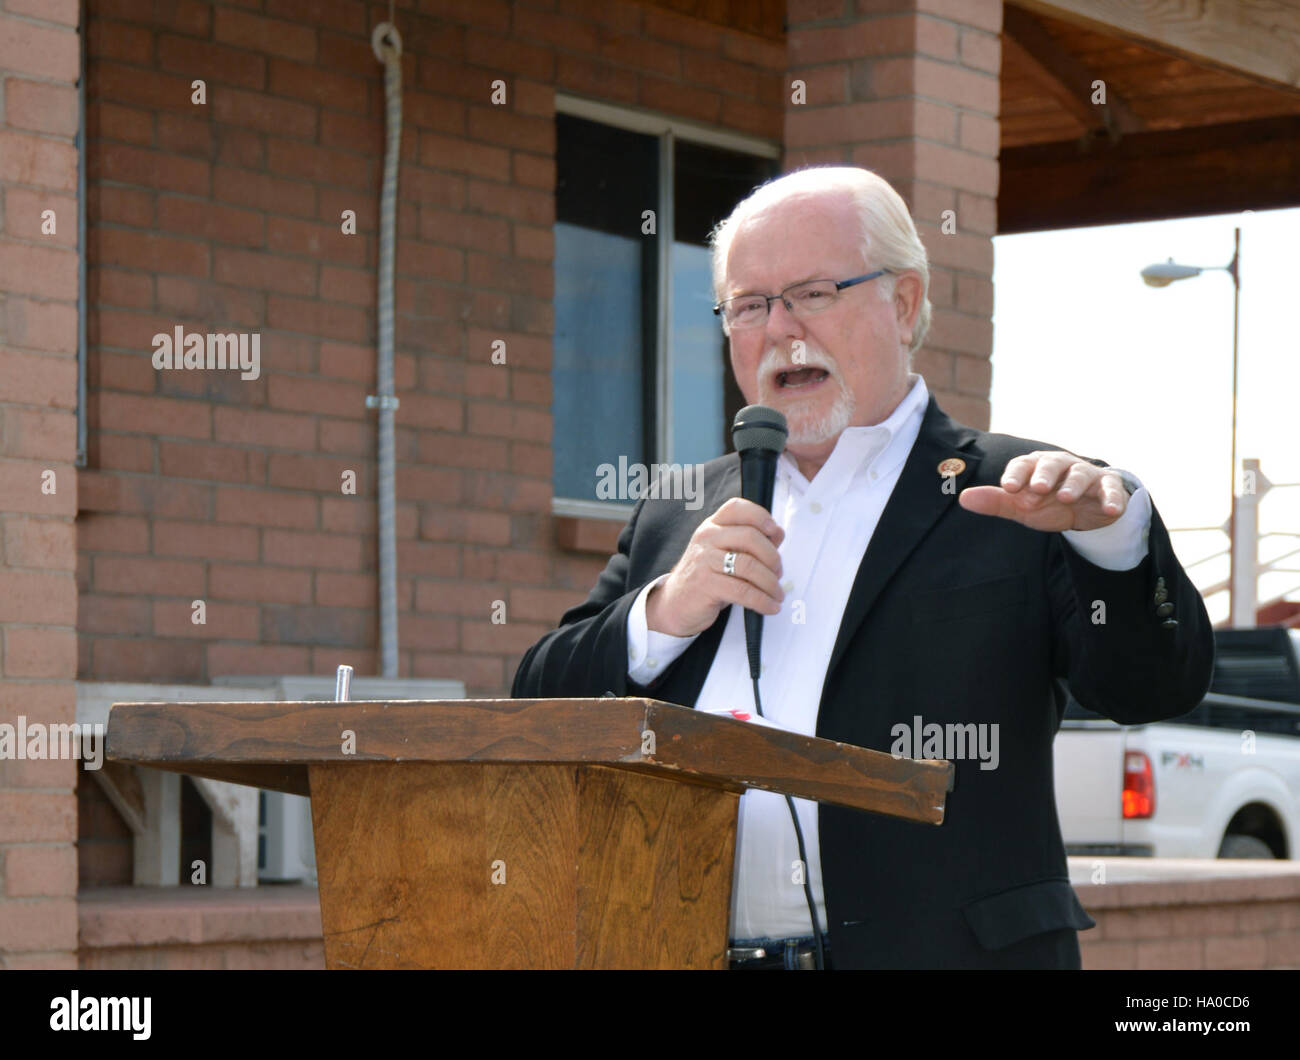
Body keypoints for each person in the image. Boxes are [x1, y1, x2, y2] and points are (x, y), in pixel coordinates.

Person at [512, 166, 1214, 970]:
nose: (780, 328)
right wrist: (664, 612)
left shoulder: (1025, 494)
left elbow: (1154, 687)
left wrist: (1116, 546)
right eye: (749, 304)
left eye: (812, 293)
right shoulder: (677, 510)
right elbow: (535, 703)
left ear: (904, 302)